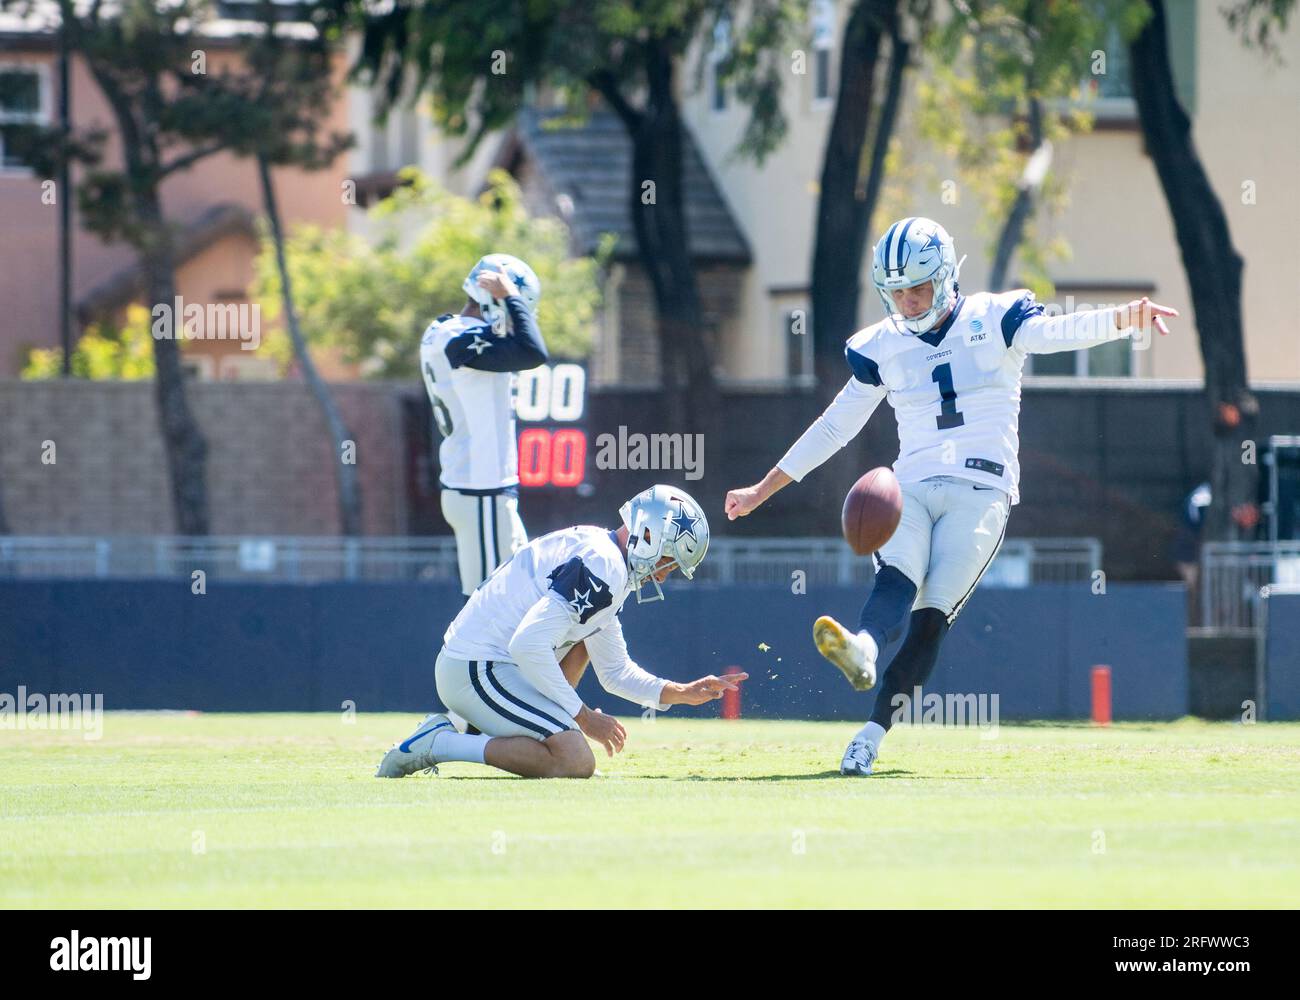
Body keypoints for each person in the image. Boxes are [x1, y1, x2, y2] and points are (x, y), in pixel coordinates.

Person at [724, 216, 1177, 776]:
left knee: (931, 616)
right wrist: (763, 488)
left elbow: (1059, 334)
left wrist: (1124, 318)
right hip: (908, 486)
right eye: (898, 292)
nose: (910, 302)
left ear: (944, 277)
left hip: (982, 488)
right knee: (898, 577)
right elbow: (834, 426)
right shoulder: (882, 346)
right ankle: (863, 648)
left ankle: (870, 736)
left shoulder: (996, 317)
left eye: (918, 287)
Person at [376, 486, 747, 779]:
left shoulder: (606, 560)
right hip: (477, 667)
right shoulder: (604, 565)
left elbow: (615, 671)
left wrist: (681, 692)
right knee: (574, 760)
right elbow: (528, 644)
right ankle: (439, 744)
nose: (665, 574)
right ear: (648, 535)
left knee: (581, 653)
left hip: (490, 666)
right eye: (668, 560)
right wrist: (583, 717)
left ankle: (463, 730)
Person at [420, 253, 547, 598]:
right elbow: (534, 351)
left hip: (479, 489)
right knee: (491, 608)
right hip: (481, 490)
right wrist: (511, 298)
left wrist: (507, 301)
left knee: (528, 593)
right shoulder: (462, 340)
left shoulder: (443, 331)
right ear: (493, 303)